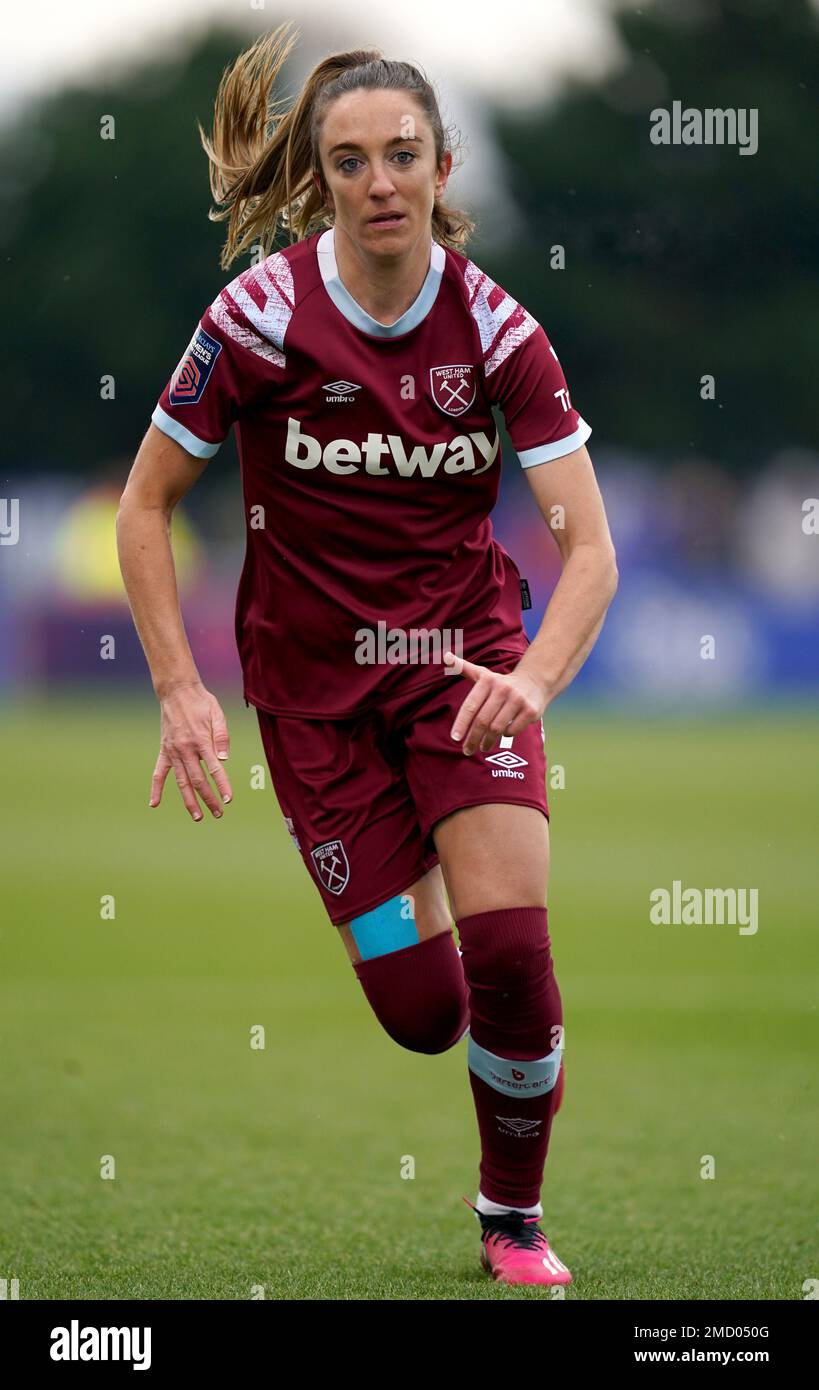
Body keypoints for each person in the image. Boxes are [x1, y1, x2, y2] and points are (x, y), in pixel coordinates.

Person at [115, 23, 618, 1287]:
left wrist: (536, 682)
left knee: (510, 958)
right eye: (351, 162)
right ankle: (422, 873)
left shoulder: (501, 335)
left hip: (466, 674)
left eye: (403, 155)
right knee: (426, 1015)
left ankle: (513, 1219)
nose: (380, 181)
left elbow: (591, 548)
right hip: (314, 698)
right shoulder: (257, 317)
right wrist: (180, 689)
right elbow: (144, 505)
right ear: (323, 180)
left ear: (443, 167)